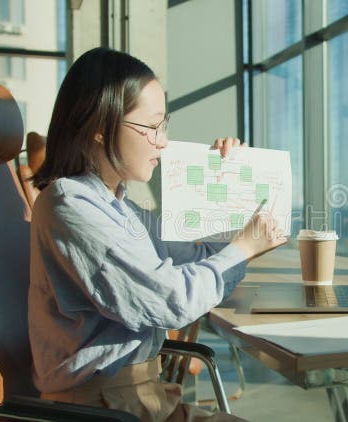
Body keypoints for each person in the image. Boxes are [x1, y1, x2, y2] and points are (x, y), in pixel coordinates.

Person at [27, 47, 286, 422]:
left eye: (164, 126)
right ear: (100, 127)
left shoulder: (116, 206)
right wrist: (243, 247)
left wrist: (232, 186)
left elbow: (195, 258)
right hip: (100, 409)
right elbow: (170, 300)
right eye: (152, 127)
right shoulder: (71, 208)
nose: (162, 141)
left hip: (140, 400)